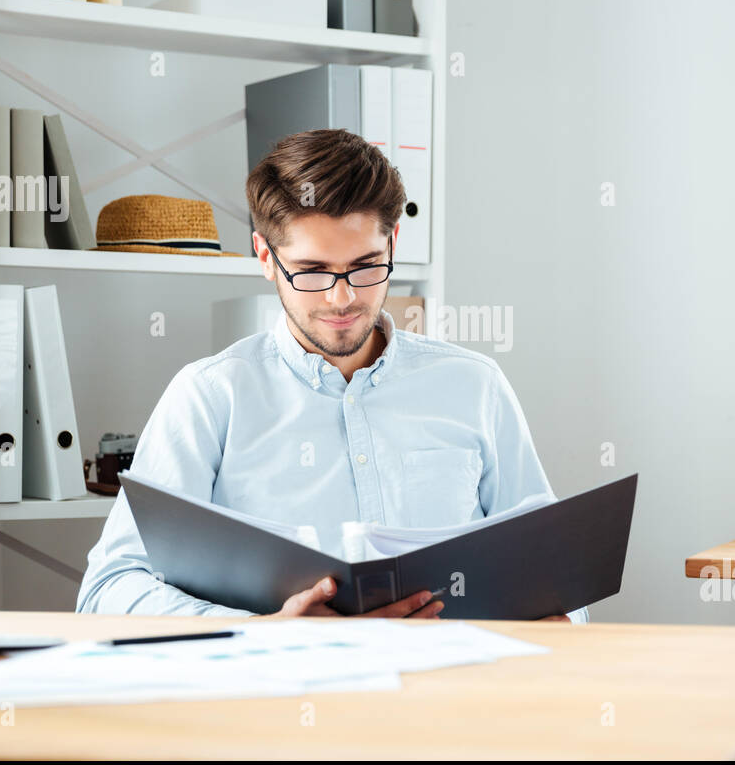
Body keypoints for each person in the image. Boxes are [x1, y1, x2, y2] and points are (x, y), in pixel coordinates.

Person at [77, 128, 586, 623]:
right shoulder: (210, 397)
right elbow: (108, 589)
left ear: (393, 244)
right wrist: (264, 630)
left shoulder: (474, 386)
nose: (342, 298)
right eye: (314, 271)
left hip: (449, 695)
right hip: (279, 696)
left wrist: (559, 616)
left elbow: (557, 579)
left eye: (365, 266)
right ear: (265, 257)